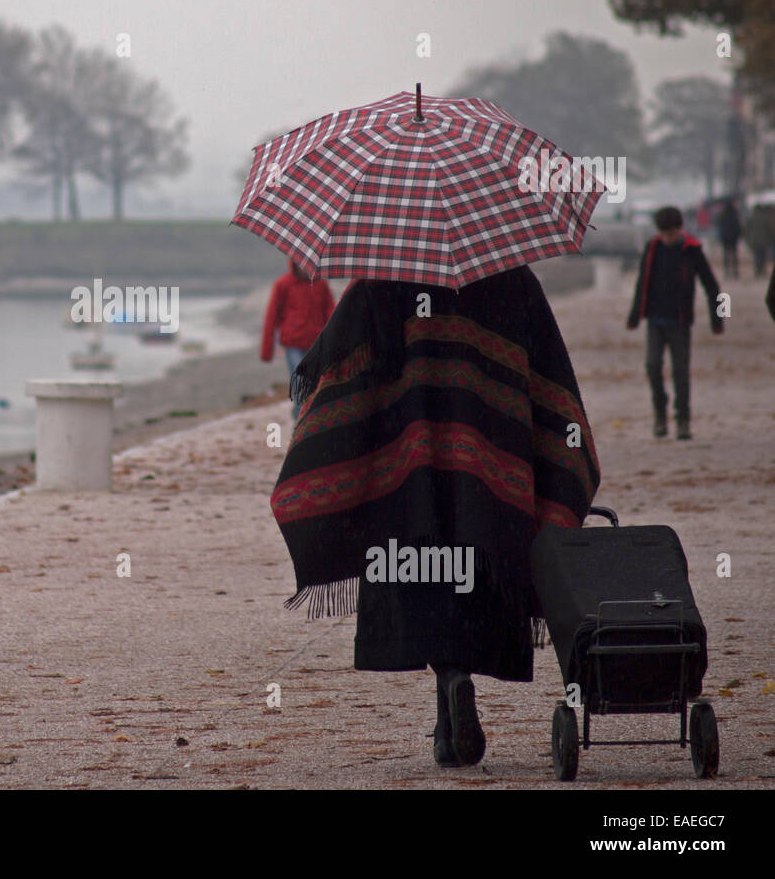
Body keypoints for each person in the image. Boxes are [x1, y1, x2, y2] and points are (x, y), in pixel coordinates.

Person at [270, 266, 599, 768]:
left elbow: (329, 369)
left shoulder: (381, 282)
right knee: (479, 576)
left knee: (421, 581)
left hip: (408, 481)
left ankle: (449, 683)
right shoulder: (515, 281)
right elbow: (551, 380)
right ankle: (456, 688)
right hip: (490, 480)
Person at [626, 205, 724, 440]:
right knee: (652, 367)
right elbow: (642, 282)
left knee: (681, 373)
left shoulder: (692, 250)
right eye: (664, 234)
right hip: (655, 321)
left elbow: (712, 286)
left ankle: (683, 420)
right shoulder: (652, 248)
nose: (668, 238)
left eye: (671, 234)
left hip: (680, 322)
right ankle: (660, 413)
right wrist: (634, 316)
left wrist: (718, 319)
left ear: (680, 229)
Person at [260, 257, 335, 419]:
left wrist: (338, 340)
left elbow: (331, 313)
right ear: (294, 263)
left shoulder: (321, 284)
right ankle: (300, 418)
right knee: (299, 380)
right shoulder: (283, 284)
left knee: (315, 383)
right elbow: (272, 317)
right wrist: (267, 350)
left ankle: (304, 415)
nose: (304, 267)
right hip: (293, 343)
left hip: (316, 343)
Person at [716, 199, 742, 278]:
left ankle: (727, 271)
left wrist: (721, 237)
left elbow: (720, 226)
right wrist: (738, 235)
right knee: (734, 255)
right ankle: (735, 272)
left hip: (725, 238)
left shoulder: (722, 215)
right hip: (733, 238)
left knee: (726, 255)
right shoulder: (734, 214)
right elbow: (737, 226)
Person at [744, 205, 772, 278]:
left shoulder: (751, 217)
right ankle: (763, 270)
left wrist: (748, 239)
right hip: (764, 240)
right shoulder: (765, 217)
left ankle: (757, 270)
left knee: (757, 255)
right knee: (763, 256)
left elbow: (747, 230)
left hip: (754, 240)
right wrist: (770, 238)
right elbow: (769, 229)